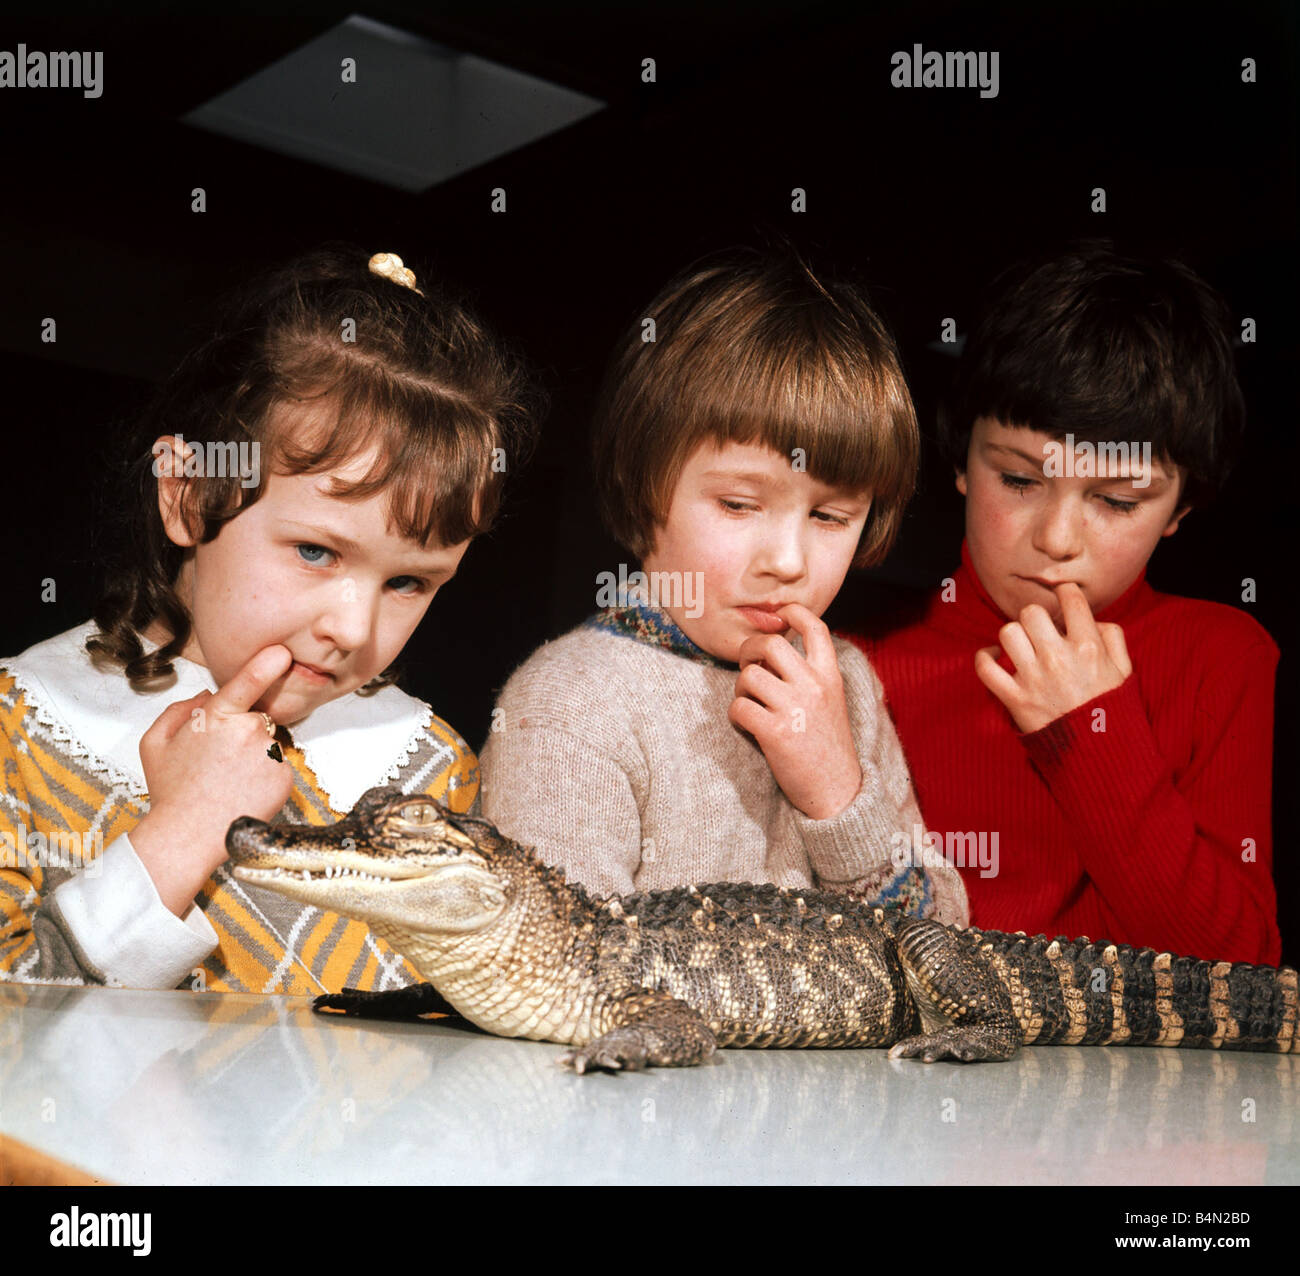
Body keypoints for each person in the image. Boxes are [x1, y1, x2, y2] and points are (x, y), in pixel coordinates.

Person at [0, 246, 537, 992]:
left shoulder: (433, 773)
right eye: (316, 551)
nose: (354, 628)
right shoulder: (21, 730)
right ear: (188, 494)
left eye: (410, 581)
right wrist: (186, 828)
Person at [478, 251, 968, 924]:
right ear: (643, 485)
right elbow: (553, 972)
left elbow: (948, 949)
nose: (788, 560)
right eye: (739, 505)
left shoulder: (846, 686)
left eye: (830, 516)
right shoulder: (571, 700)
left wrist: (837, 796)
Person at [843, 242, 1280, 963]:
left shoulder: (1220, 656)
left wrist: (1090, 731)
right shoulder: (860, 663)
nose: (1055, 538)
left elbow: (1239, 970)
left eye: (1115, 500)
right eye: (1018, 481)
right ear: (959, 458)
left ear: (1180, 508)